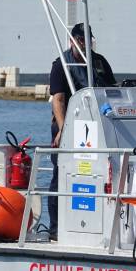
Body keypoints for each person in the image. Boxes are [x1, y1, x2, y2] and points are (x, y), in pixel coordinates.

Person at [47, 23, 117, 238]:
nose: (85, 45)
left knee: (100, 172)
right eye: (80, 40)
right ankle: (56, 228)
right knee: (62, 174)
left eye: (88, 40)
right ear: (73, 40)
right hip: (70, 126)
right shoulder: (61, 64)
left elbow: (112, 91)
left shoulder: (100, 62)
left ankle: (98, 226)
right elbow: (58, 100)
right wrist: (63, 129)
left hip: (97, 126)